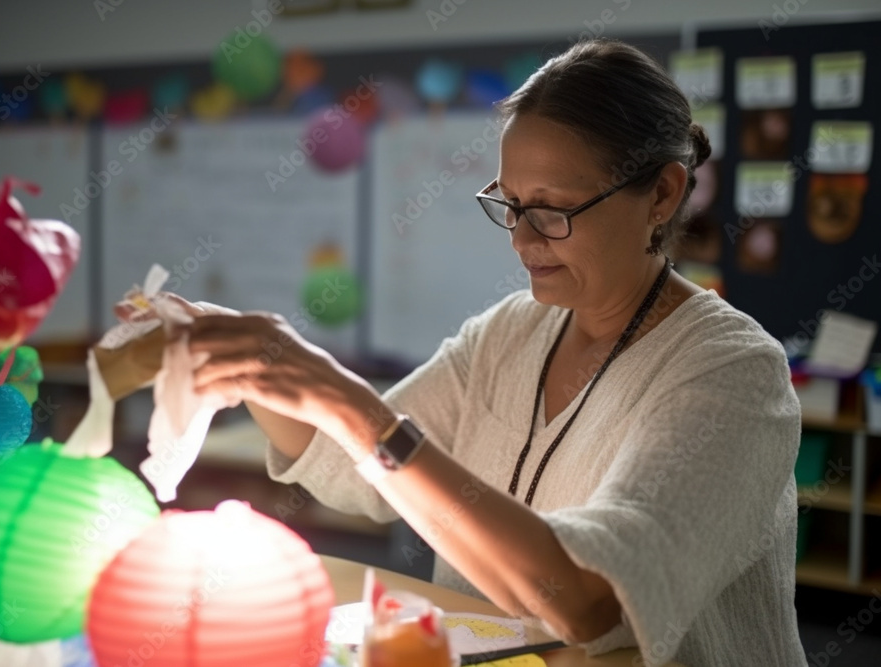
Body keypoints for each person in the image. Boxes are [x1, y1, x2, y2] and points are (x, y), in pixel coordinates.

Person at [180, 39, 805, 666]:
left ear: (663, 196)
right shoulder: (509, 334)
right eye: (510, 204)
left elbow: (591, 601)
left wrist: (354, 410)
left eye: (554, 210)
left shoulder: (733, 372)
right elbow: (354, 471)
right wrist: (251, 361)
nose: (522, 239)